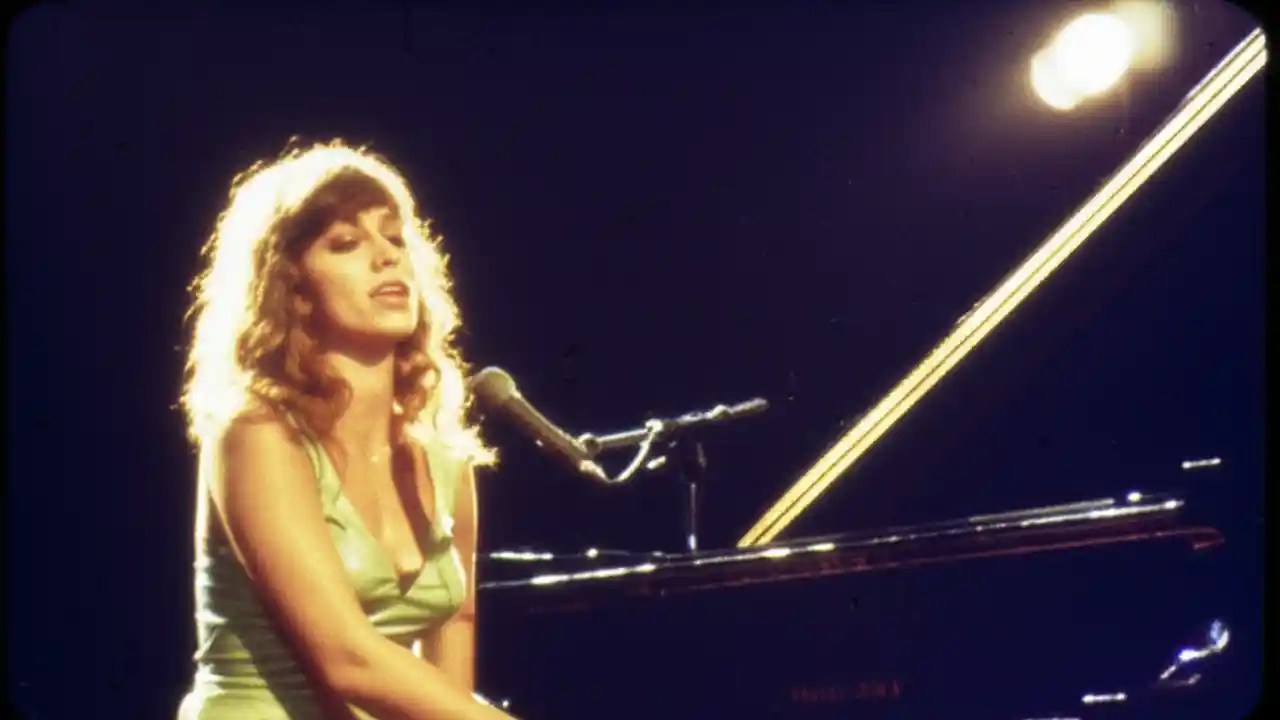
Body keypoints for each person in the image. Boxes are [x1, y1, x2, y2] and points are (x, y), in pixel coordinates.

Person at [175, 138, 518, 719]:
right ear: (293, 291)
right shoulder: (256, 434)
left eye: (394, 237)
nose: (387, 257)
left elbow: (452, 631)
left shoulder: (445, 455)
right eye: (346, 243)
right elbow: (346, 657)